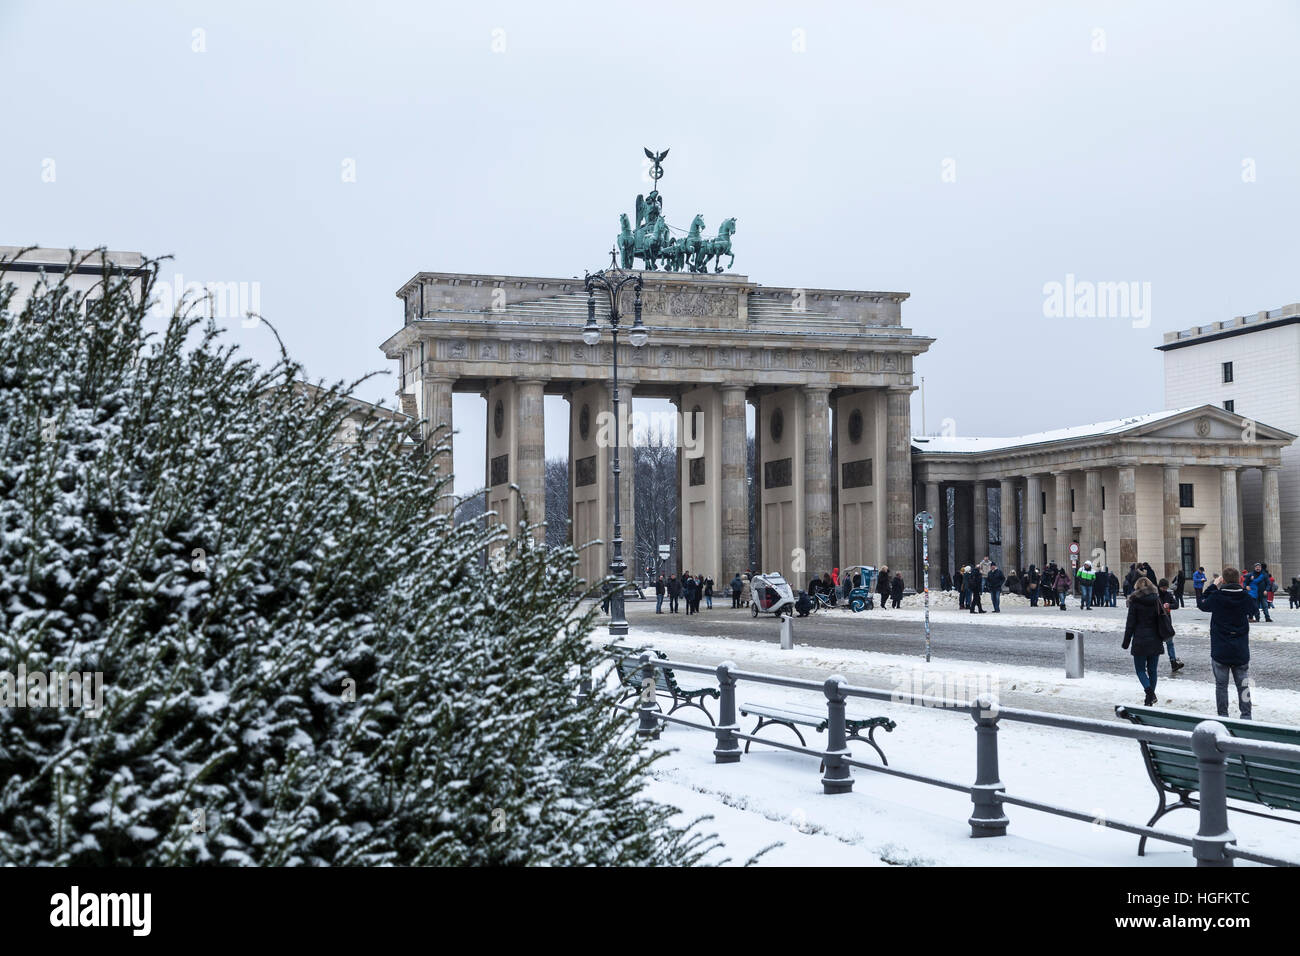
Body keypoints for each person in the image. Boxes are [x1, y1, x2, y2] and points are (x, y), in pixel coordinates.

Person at [1198, 567, 1253, 720]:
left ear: (1224, 580)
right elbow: (1254, 610)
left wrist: (1213, 586)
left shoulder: (1217, 596)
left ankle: (1223, 715)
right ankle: (1246, 715)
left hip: (1220, 648)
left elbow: (1202, 603)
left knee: (1221, 686)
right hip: (1240, 649)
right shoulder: (1245, 597)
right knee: (1244, 685)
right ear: (1238, 580)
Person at [1124, 576, 1165, 706]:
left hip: (1140, 640)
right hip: (1155, 639)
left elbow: (1130, 624)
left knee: (1140, 670)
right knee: (1152, 670)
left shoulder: (1135, 602)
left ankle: (1149, 693)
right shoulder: (1156, 600)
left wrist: (1126, 642)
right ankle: (1149, 700)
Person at [1157, 578, 1185, 673]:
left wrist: (1169, 605)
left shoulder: (1168, 595)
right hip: (1157, 622)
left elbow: (1176, 605)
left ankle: (1173, 662)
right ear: (1159, 586)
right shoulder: (1155, 595)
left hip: (1167, 622)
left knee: (1170, 643)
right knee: (1156, 644)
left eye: (1166, 588)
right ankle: (1150, 664)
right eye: (1163, 588)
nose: (1164, 589)